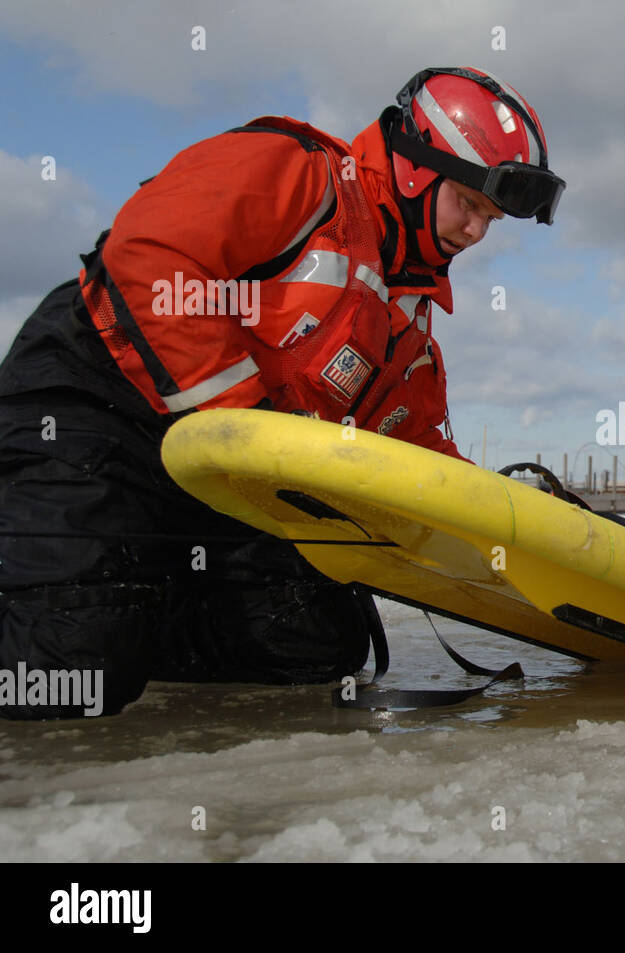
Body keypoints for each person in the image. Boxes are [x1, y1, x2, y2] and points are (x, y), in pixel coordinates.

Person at [0, 67, 564, 720]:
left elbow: (418, 452)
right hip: (97, 401)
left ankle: (129, 606)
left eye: (490, 219)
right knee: (69, 663)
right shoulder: (296, 173)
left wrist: (519, 537)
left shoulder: (405, 315)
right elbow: (152, 259)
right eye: (469, 205)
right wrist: (247, 433)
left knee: (313, 636)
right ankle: (84, 614)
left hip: (219, 470)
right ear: (417, 169)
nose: (475, 233)